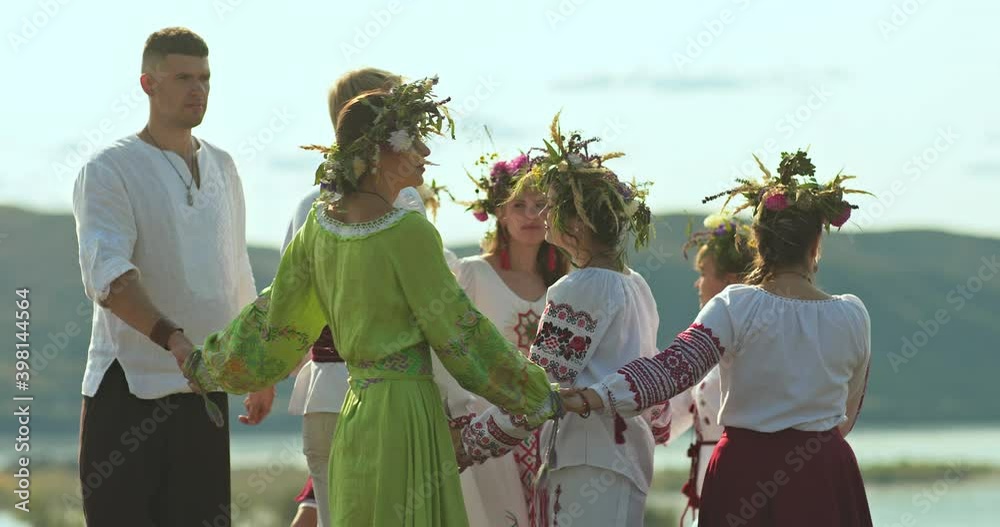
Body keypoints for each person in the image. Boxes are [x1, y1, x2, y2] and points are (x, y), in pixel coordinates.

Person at [183, 77, 566, 526]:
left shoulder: (318, 229)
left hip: (353, 409)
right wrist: (541, 394)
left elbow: (273, 320)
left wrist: (206, 363)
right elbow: (461, 335)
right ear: (380, 153)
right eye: (414, 142)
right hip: (406, 414)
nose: (424, 153)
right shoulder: (409, 233)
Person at [567, 150, 874, 526]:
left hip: (746, 471)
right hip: (824, 473)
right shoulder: (853, 314)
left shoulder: (736, 304)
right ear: (815, 247)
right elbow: (846, 415)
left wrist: (593, 395)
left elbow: (672, 370)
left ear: (759, 245)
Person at [71, 27, 255, 525]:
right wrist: (171, 338)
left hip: (205, 389)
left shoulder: (224, 166)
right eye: (182, 78)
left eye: (205, 78)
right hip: (128, 390)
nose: (198, 89)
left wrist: (259, 368)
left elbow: (236, 269)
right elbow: (109, 277)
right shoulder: (110, 168)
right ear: (148, 83)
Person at [458, 115, 669, 526]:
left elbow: (541, 387)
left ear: (575, 223)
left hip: (588, 457)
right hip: (628, 454)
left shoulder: (577, 287)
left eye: (551, 208)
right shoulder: (635, 282)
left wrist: (473, 442)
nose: (543, 216)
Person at [433, 151, 570, 526]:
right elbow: (450, 347)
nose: (531, 215)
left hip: (551, 430)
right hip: (487, 428)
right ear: (500, 213)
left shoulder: (565, 284)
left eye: (541, 205)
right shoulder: (473, 274)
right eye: (519, 205)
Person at [672, 213, 755, 525]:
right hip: (709, 473)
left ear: (730, 281)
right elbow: (679, 409)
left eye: (704, 272)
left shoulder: (746, 343)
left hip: (736, 475)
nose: (698, 282)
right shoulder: (711, 343)